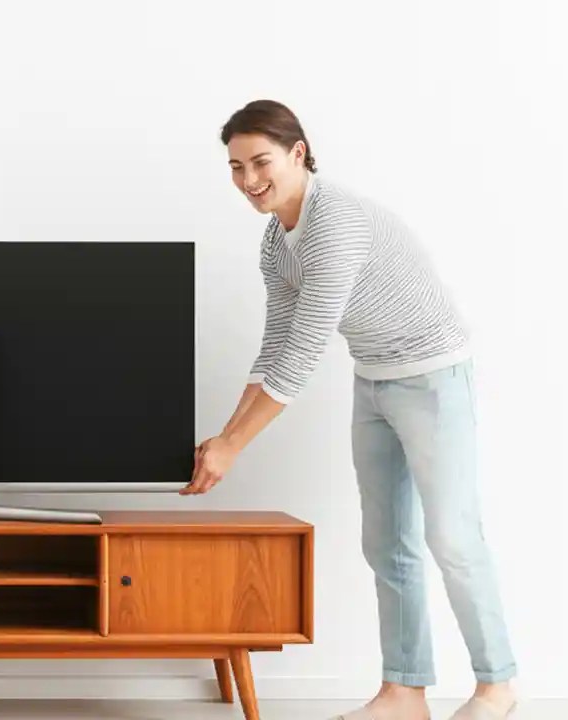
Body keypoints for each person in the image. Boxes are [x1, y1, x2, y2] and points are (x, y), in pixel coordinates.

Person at [181, 100, 519, 720]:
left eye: (261, 162)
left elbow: (305, 351)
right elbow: (274, 347)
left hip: (433, 379)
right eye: (235, 167)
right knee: (385, 542)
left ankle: (497, 686)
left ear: (298, 153)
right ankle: (404, 692)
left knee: (452, 536)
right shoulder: (275, 243)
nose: (249, 180)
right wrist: (223, 437)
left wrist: (234, 447)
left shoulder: (334, 223)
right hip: (375, 381)